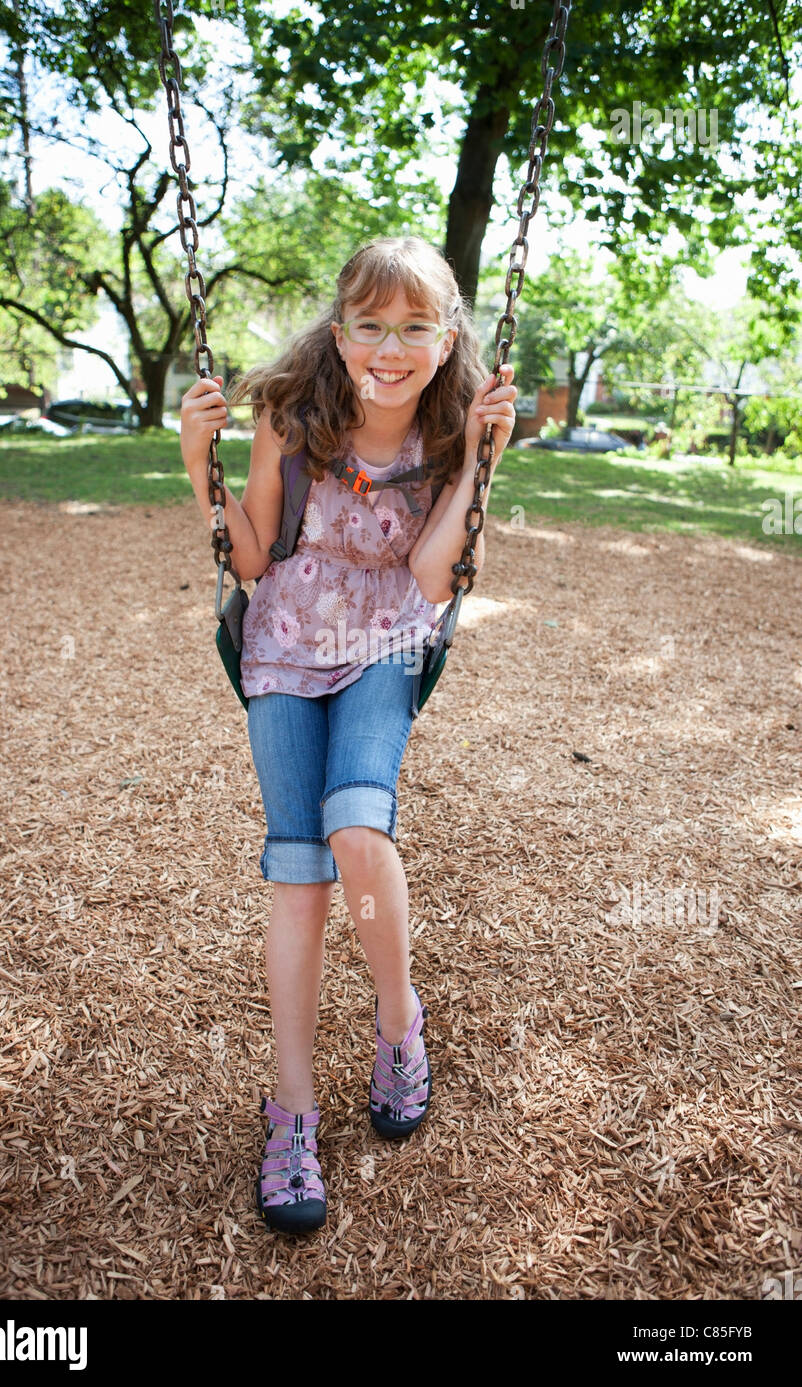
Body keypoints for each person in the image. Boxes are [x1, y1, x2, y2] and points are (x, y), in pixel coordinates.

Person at [180, 236, 516, 1235]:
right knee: (297, 871)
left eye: (413, 327)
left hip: (384, 642)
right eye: (369, 324)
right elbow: (247, 553)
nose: (389, 346)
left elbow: (427, 581)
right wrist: (195, 463)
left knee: (355, 826)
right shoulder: (293, 413)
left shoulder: (452, 430)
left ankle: (397, 1020)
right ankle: (291, 1112)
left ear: (444, 338)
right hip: (285, 640)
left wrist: (477, 469)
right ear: (340, 332)